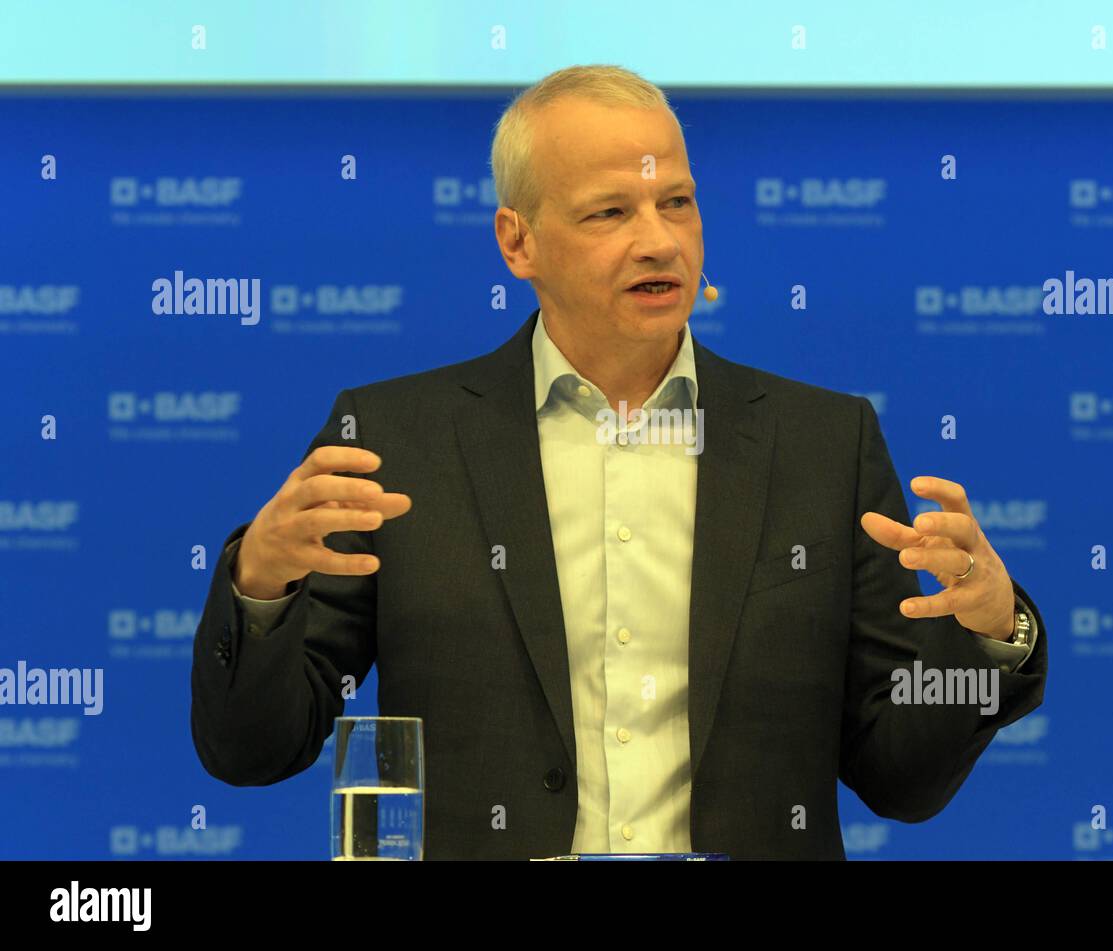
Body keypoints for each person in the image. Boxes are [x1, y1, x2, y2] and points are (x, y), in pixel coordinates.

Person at [190, 64, 1046, 860]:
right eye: (611, 213)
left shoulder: (824, 441)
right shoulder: (394, 439)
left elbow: (903, 778)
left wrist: (987, 635)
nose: (659, 241)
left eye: (677, 202)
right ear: (517, 243)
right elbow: (256, 750)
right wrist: (261, 586)